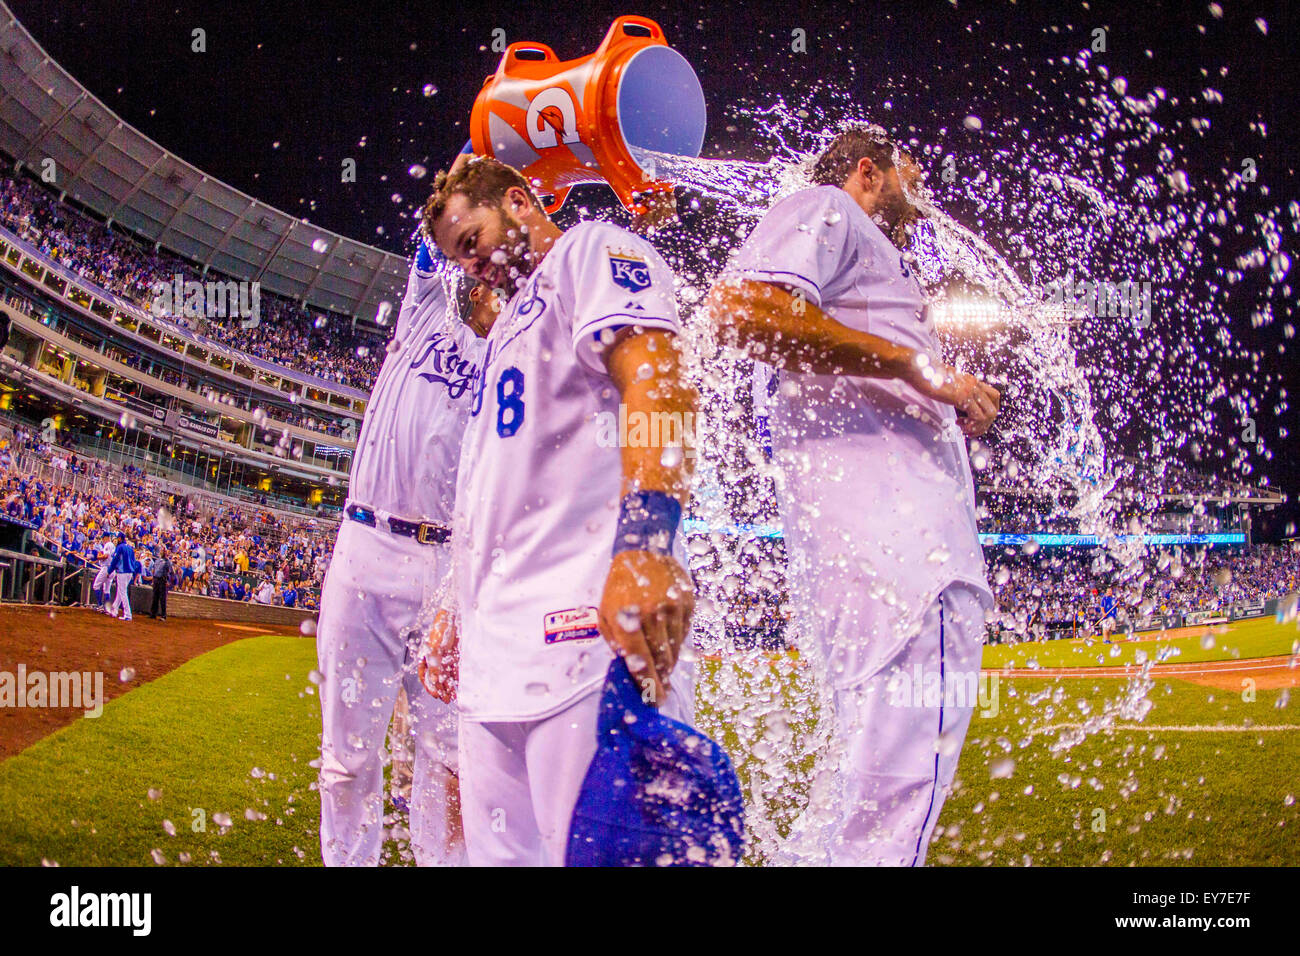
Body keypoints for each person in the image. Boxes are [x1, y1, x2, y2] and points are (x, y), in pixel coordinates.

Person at [707, 124, 1001, 866]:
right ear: (868, 172)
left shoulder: (868, 255)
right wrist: (917, 369)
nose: (922, 179)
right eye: (909, 165)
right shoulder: (830, 209)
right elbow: (742, 311)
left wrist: (939, 388)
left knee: (866, 789)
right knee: (897, 796)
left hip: (871, 552)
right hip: (907, 558)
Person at [423, 156, 699, 866]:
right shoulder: (509, 321)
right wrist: (460, 608)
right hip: (496, 659)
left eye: (473, 239)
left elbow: (657, 377)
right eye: (459, 257)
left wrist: (647, 542)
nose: (473, 264)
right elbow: (499, 486)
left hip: (584, 637)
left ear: (519, 200)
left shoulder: (589, 249)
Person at [315, 222, 489, 868]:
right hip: (370, 544)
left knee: (448, 758)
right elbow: (440, 222)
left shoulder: (512, 352)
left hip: (449, 571)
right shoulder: (425, 309)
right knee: (348, 758)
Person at [106, 532, 137, 621]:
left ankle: (128, 614)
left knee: (123, 592)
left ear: (120, 538)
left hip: (122, 572)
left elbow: (115, 560)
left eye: (117, 538)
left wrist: (109, 571)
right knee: (120, 592)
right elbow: (133, 561)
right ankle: (114, 610)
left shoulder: (120, 547)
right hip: (129, 572)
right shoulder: (130, 548)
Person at [149, 550, 171, 620]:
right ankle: (153, 613)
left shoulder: (167, 562)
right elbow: (154, 569)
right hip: (156, 579)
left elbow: (169, 571)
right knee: (155, 597)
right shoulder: (157, 561)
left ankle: (163, 615)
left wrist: (167, 580)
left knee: (162, 598)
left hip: (162, 580)